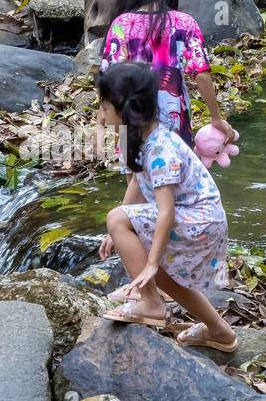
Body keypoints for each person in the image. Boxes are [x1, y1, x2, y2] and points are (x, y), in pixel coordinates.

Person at [97, 62, 237, 353]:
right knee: (155, 265)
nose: (100, 115)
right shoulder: (137, 135)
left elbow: (166, 211)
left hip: (200, 220)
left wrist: (146, 260)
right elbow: (138, 179)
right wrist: (120, 228)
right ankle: (220, 332)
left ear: (125, 109)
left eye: (104, 107)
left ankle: (151, 303)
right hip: (197, 218)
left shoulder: (161, 150)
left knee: (141, 250)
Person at [100, 0, 236, 147]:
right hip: (176, 125)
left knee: (136, 177)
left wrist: (101, 120)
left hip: (133, 124)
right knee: (174, 175)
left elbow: (109, 77)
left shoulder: (121, 25)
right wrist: (215, 117)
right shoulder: (185, 23)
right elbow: (201, 74)